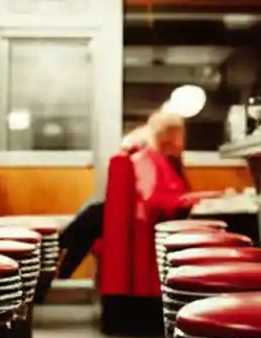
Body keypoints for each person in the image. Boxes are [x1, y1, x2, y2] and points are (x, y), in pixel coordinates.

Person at [56, 110, 217, 278]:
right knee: (91, 217)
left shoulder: (169, 163)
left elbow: (174, 196)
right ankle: (57, 256)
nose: (184, 140)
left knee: (90, 218)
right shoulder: (147, 159)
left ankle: (58, 254)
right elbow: (153, 200)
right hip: (145, 224)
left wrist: (207, 197)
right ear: (170, 135)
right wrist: (192, 200)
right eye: (181, 134)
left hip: (148, 221)